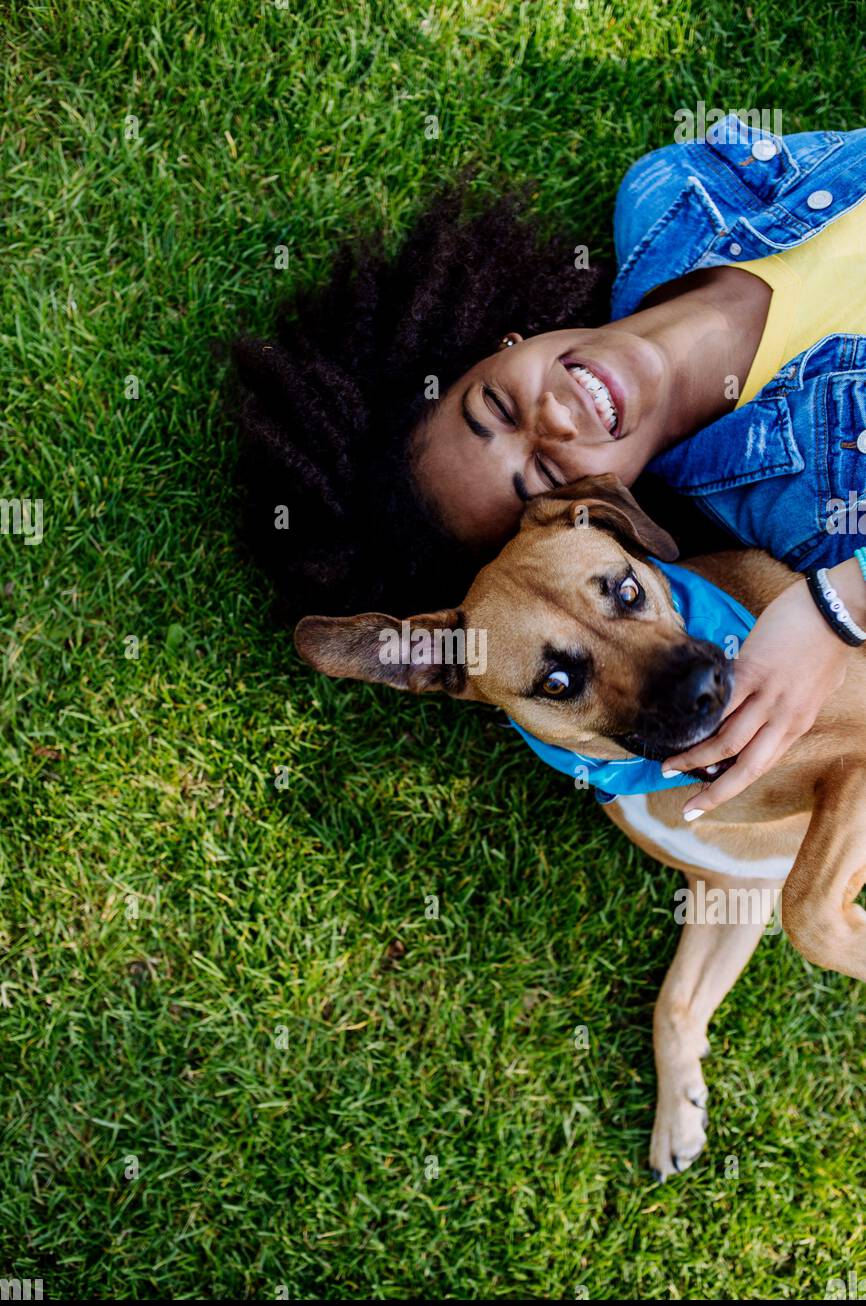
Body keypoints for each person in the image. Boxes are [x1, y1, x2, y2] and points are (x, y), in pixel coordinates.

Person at [234, 116, 866, 819]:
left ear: (502, 342)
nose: (556, 419)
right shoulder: (808, 513)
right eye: (547, 476)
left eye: (498, 404)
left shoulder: (673, 193)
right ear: (610, 506)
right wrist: (838, 607)